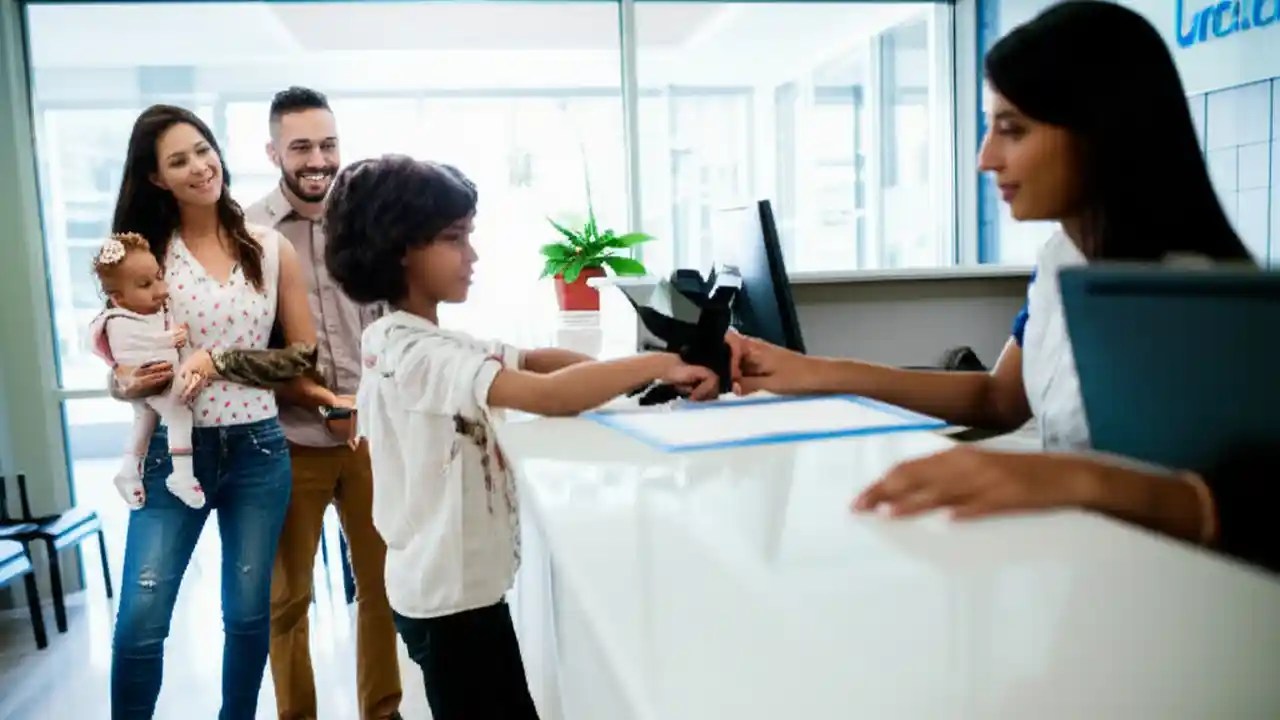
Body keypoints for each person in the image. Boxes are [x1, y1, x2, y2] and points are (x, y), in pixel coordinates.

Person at [728, 1, 1265, 561]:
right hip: (1081, 556)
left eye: (1012, 130)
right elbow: (998, 397)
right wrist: (811, 372)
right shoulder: (1062, 258)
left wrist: (1075, 480)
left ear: (1101, 130)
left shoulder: (1201, 299)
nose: (987, 158)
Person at [323, 155, 718, 719]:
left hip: (456, 591)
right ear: (400, 248)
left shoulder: (420, 338)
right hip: (449, 602)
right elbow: (547, 395)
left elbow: (534, 361)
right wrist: (652, 367)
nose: (472, 255)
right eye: (455, 238)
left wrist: (637, 374)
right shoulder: (416, 355)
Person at [106, 103, 318, 719]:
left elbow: (301, 358)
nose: (201, 167)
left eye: (204, 150)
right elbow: (120, 352)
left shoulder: (269, 247)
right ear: (156, 179)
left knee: (248, 616)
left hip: (258, 450)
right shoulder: (144, 255)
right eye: (179, 161)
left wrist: (220, 361)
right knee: (140, 622)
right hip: (171, 453)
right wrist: (123, 383)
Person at [243, 86, 403, 720]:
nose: (318, 159)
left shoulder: (366, 223)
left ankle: (382, 711)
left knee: (383, 588)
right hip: (289, 442)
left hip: (370, 437)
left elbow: (393, 319)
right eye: (301, 146)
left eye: (328, 144)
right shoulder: (250, 234)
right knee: (288, 601)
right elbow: (242, 345)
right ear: (274, 151)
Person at [89, 231, 204, 510]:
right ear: (118, 298)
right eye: (145, 284)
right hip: (155, 381)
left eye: (159, 277)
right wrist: (171, 338)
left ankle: (129, 470)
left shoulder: (153, 311)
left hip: (161, 381)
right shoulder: (117, 320)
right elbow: (137, 345)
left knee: (144, 422)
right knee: (179, 415)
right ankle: (182, 475)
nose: (161, 289)